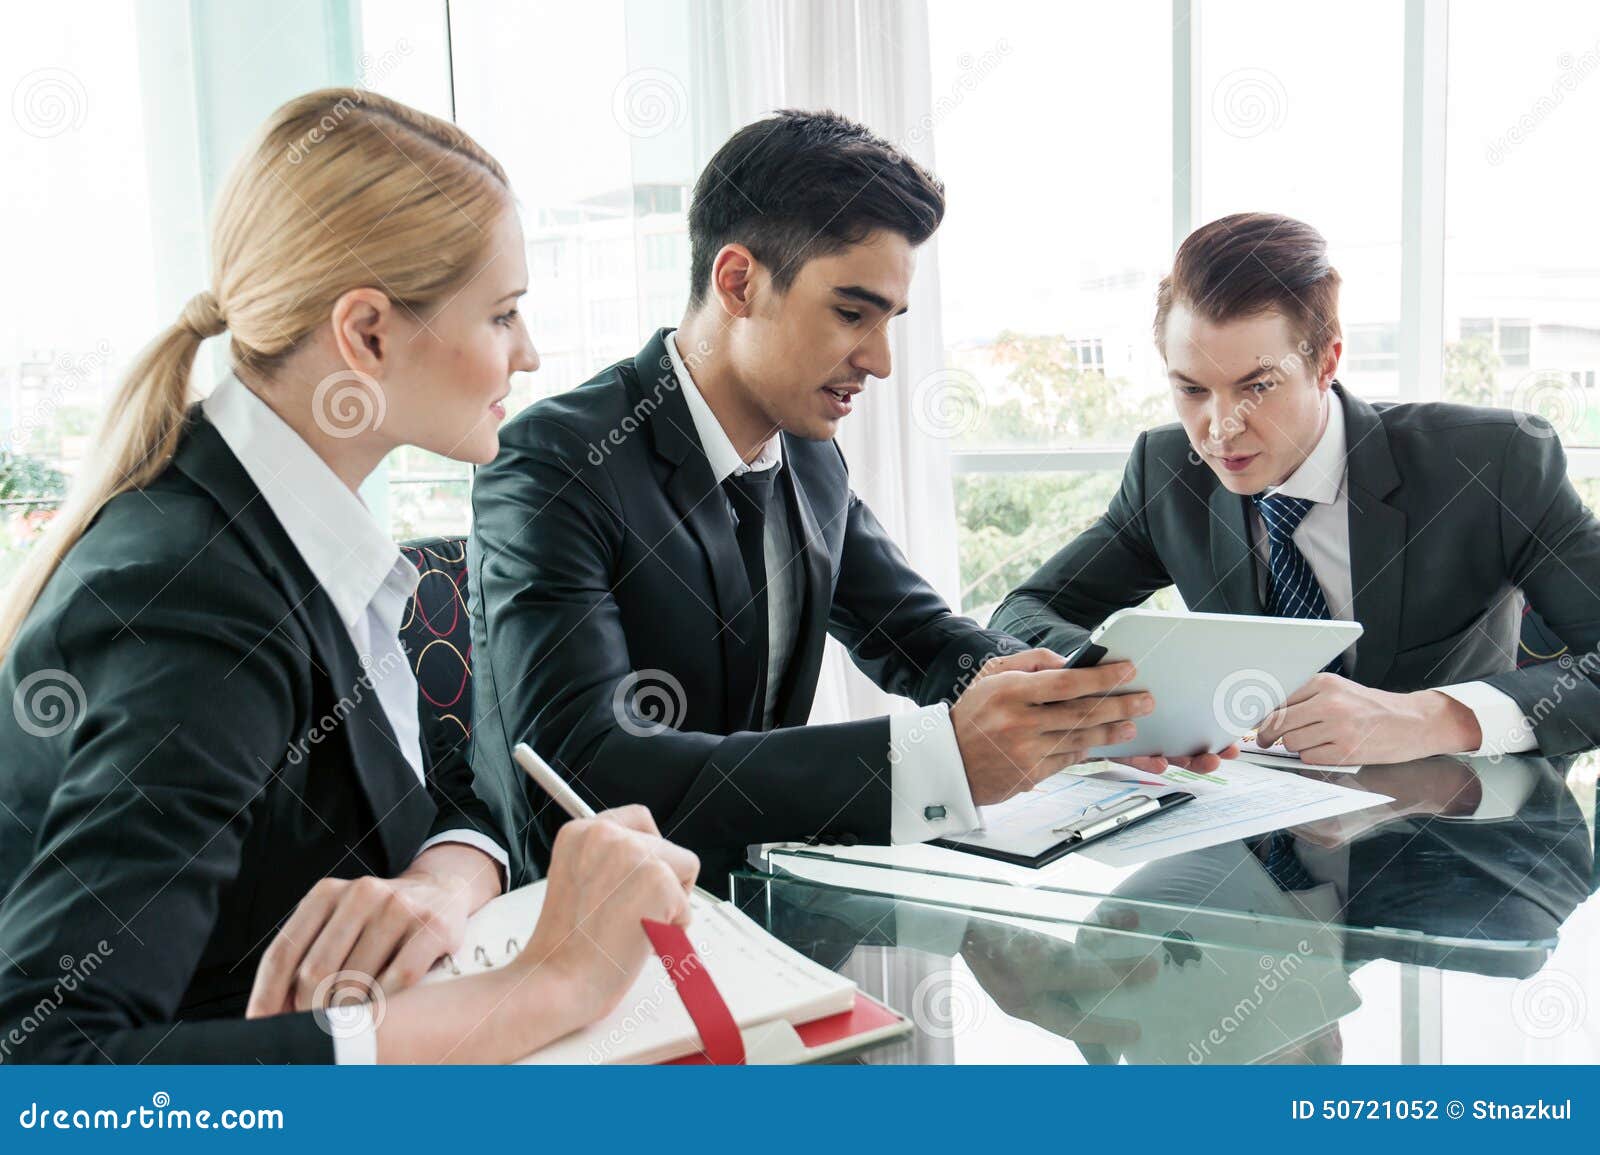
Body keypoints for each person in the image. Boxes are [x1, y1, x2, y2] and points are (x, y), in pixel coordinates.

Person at [0, 88, 698, 1064]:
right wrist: (547, 985)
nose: (529, 353)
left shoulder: (291, 528)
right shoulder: (196, 606)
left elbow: (441, 783)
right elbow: (47, 1074)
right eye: (502, 314)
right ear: (366, 333)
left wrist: (441, 881)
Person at [469, 110, 1223, 894]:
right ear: (738, 282)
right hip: (593, 922)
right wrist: (936, 759)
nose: (881, 361)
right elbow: (586, 766)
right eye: (851, 313)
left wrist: (1082, 707)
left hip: (765, 900)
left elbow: (916, 635)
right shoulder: (556, 461)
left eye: (889, 320)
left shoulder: (808, 453)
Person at [992, 212, 1600, 765]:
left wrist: (1428, 718)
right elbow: (1025, 611)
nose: (1220, 427)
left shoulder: (1491, 462)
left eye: (1257, 386)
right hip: (1246, 822)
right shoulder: (1168, 472)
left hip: (1458, 818)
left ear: (1326, 362)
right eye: (1192, 389)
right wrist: (1128, 694)